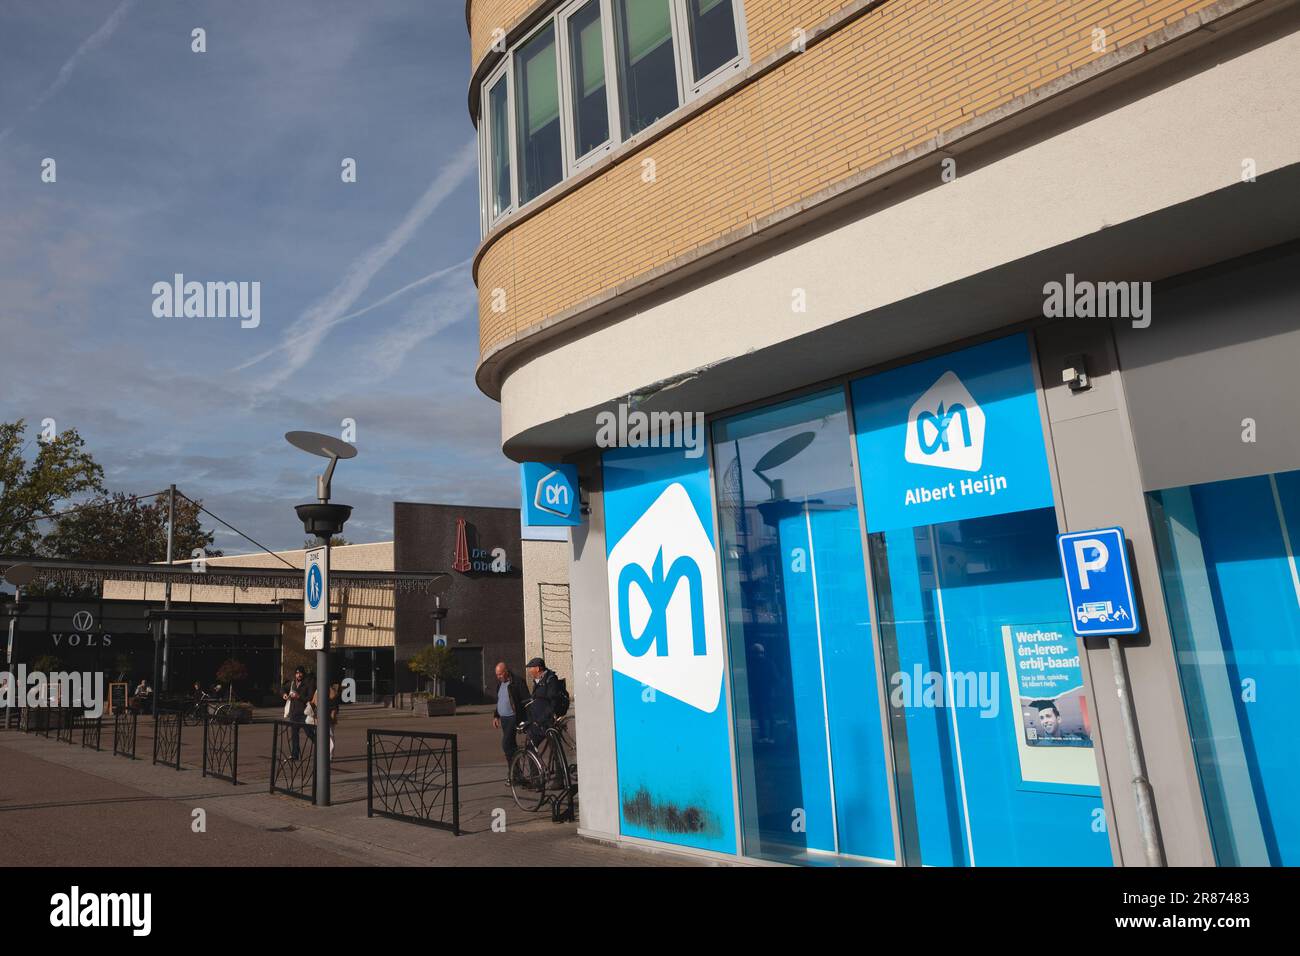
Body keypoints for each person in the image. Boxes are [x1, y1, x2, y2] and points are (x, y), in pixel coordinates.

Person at [492, 661, 529, 784]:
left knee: (506, 744)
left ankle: (514, 773)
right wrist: (496, 716)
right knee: (511, 746)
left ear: (506, 671)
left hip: (514, 717)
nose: (499, 677)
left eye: (500, 674)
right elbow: (500, 701)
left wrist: (525, 718)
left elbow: (526, 701)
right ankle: (516, 775)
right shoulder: (500, 685)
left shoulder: (517, 682)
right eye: (497, 675)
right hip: (504, 719)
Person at [282, 667, 313, 759]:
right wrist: (284, 694)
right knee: (294, 735)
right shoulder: (292, 683)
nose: (298, 675)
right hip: (294, 713)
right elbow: (282, 688)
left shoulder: (308, 684)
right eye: (297, 673)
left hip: (304, 713)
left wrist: (298, 696)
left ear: (303, 674)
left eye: (300, 673)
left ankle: (322, 749)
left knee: (309, 733)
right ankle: (295, 755)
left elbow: (310, 698)